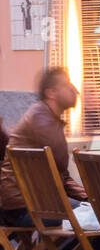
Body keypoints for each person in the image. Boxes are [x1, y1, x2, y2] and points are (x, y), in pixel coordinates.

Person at [0, 67, 87, 230]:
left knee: (98, 216)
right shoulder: (42, 121)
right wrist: (89, 198)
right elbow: (62, 171)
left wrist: (86, 196)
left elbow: (61, 175)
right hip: (29, 207)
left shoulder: (45, 116)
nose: (74, 90)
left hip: (28, 203)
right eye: (67, 85)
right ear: (51, 93)